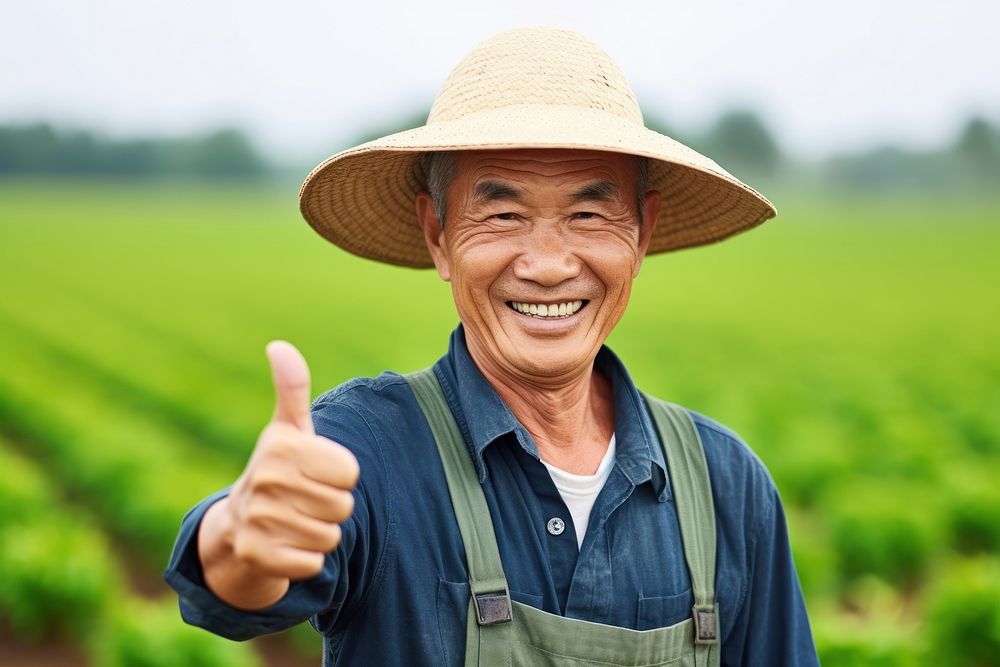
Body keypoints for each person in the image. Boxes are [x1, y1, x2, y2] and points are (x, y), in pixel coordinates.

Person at [164, 27, 818, 666]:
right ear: (437, 235)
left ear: (641, 234)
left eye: (587, 213)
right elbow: (237, 581)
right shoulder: (370, 448)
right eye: (504, 213)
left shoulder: (726, 486)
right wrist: (239, 542)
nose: (549, 263)